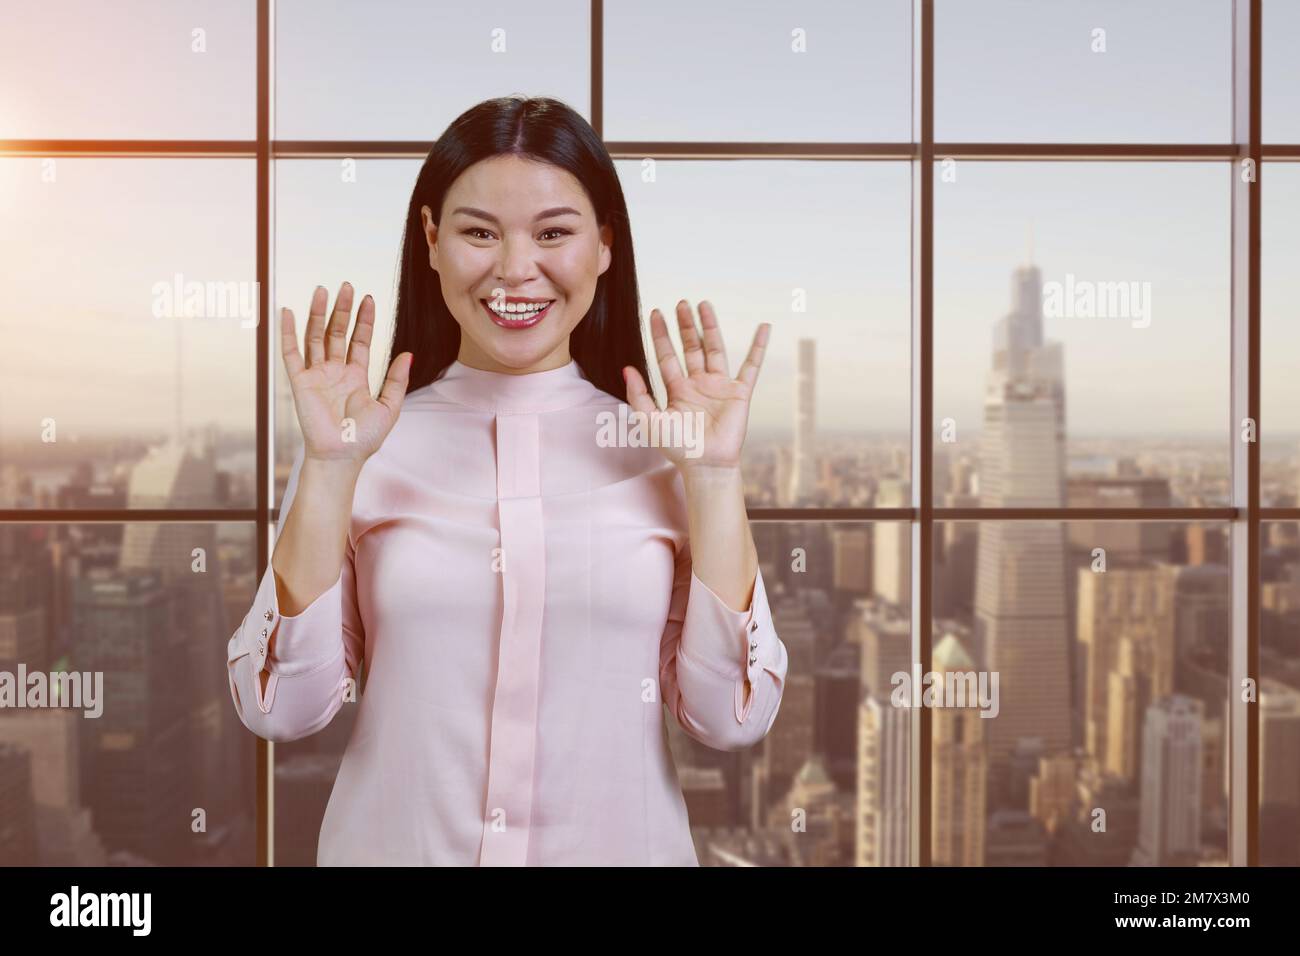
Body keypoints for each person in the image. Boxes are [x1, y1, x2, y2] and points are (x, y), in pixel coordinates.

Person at [226, 96, 788, 866]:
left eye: (554, 233)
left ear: (604, 246)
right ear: (431, 240)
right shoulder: (361, 445)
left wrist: (716, 480)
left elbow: (730, 718)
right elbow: (280, 709)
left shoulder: (664, 452)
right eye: (479, 232)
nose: (515, 269)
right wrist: (327, 469)